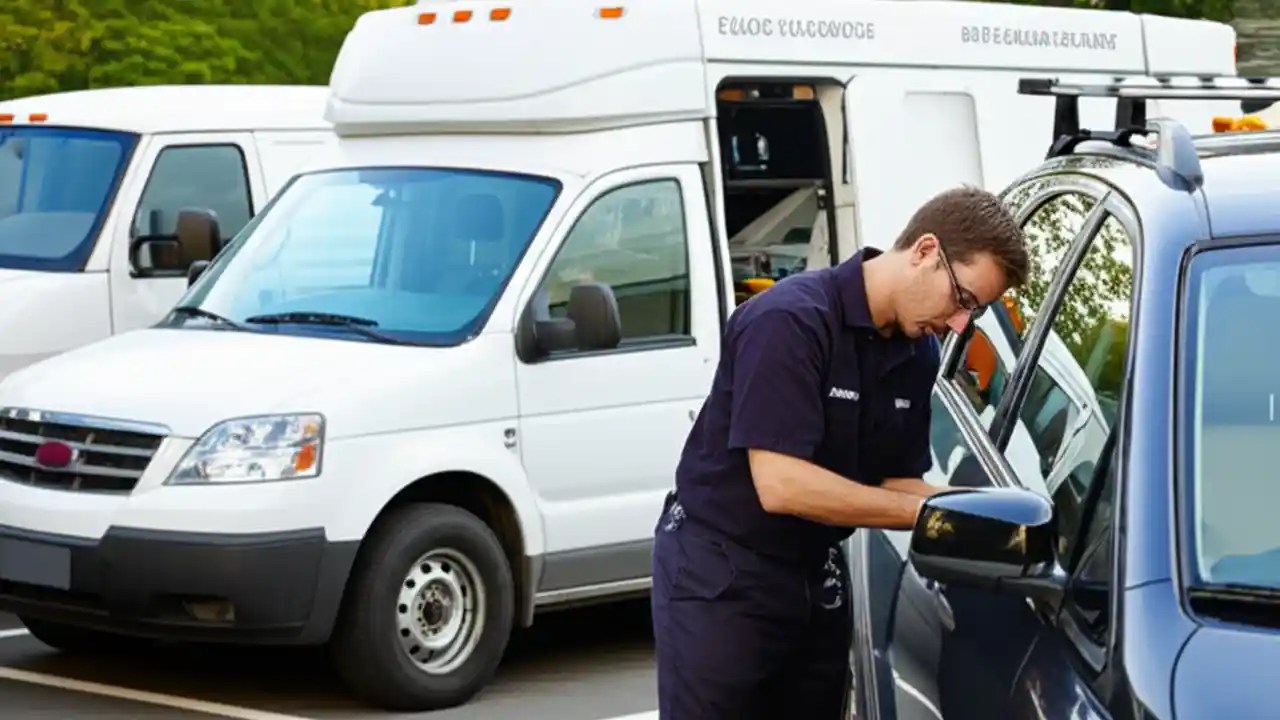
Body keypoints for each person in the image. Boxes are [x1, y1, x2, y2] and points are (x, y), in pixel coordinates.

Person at [650, 185, 1030, 719]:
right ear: (925, 251)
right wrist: (931, 516)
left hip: (816, 574)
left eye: (976, 312)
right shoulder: (789, 320)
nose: (959, 323)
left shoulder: (919, 353)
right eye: (962, 300)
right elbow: (781, 484)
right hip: (722, 574)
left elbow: (896, 480)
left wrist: (989, 517)